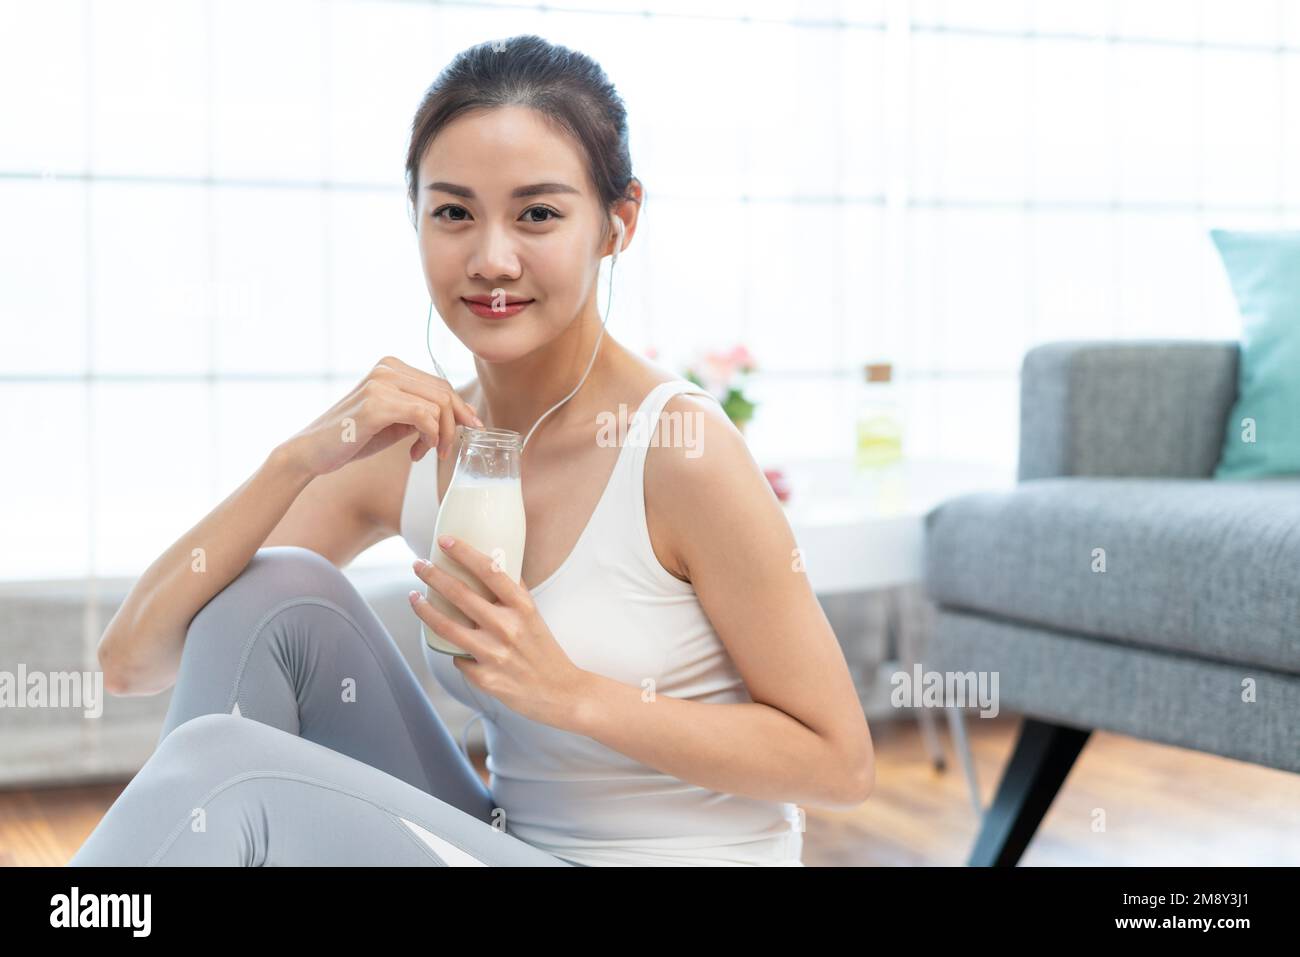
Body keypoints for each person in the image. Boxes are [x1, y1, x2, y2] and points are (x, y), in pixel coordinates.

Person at [71, 34, 873, 867]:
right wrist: (296, 460)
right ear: (415, 216)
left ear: (617, 222)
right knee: (278, 590)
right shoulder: (415, 440)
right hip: (511, 846)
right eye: (454, 212)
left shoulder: (678, 450)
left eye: (538, 213)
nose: (492, 259)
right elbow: (132, 658)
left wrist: (573, 696)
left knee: (227, 774)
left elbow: (840, 762)